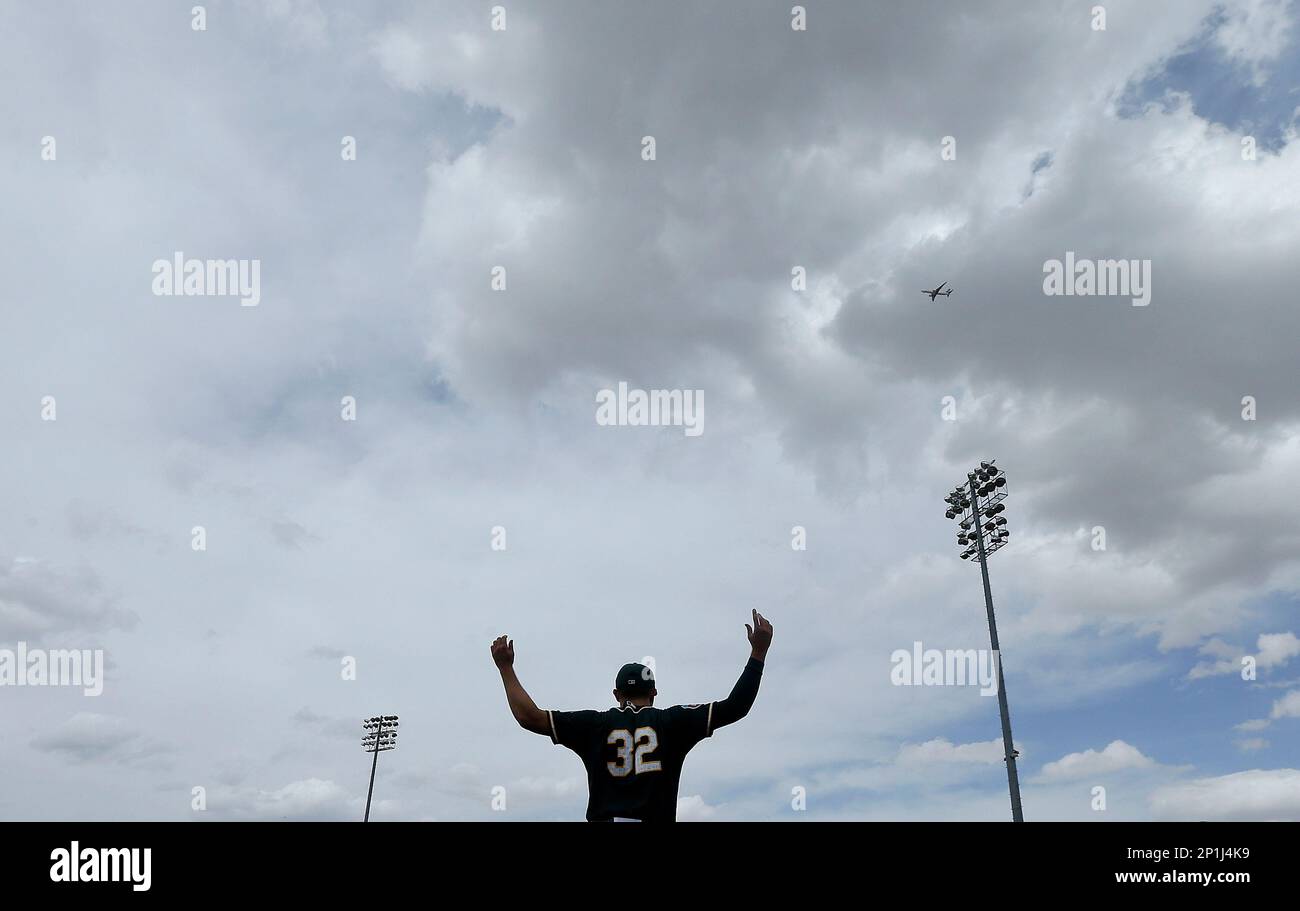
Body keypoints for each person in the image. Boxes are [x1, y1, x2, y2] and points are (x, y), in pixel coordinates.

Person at [490, 610, 773, 821]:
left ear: (616, 694)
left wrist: (505, 668)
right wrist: (758, 652)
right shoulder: (673, 722)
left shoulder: (594, 725)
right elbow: (737, 706)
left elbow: (529, 717)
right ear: (654, 693)